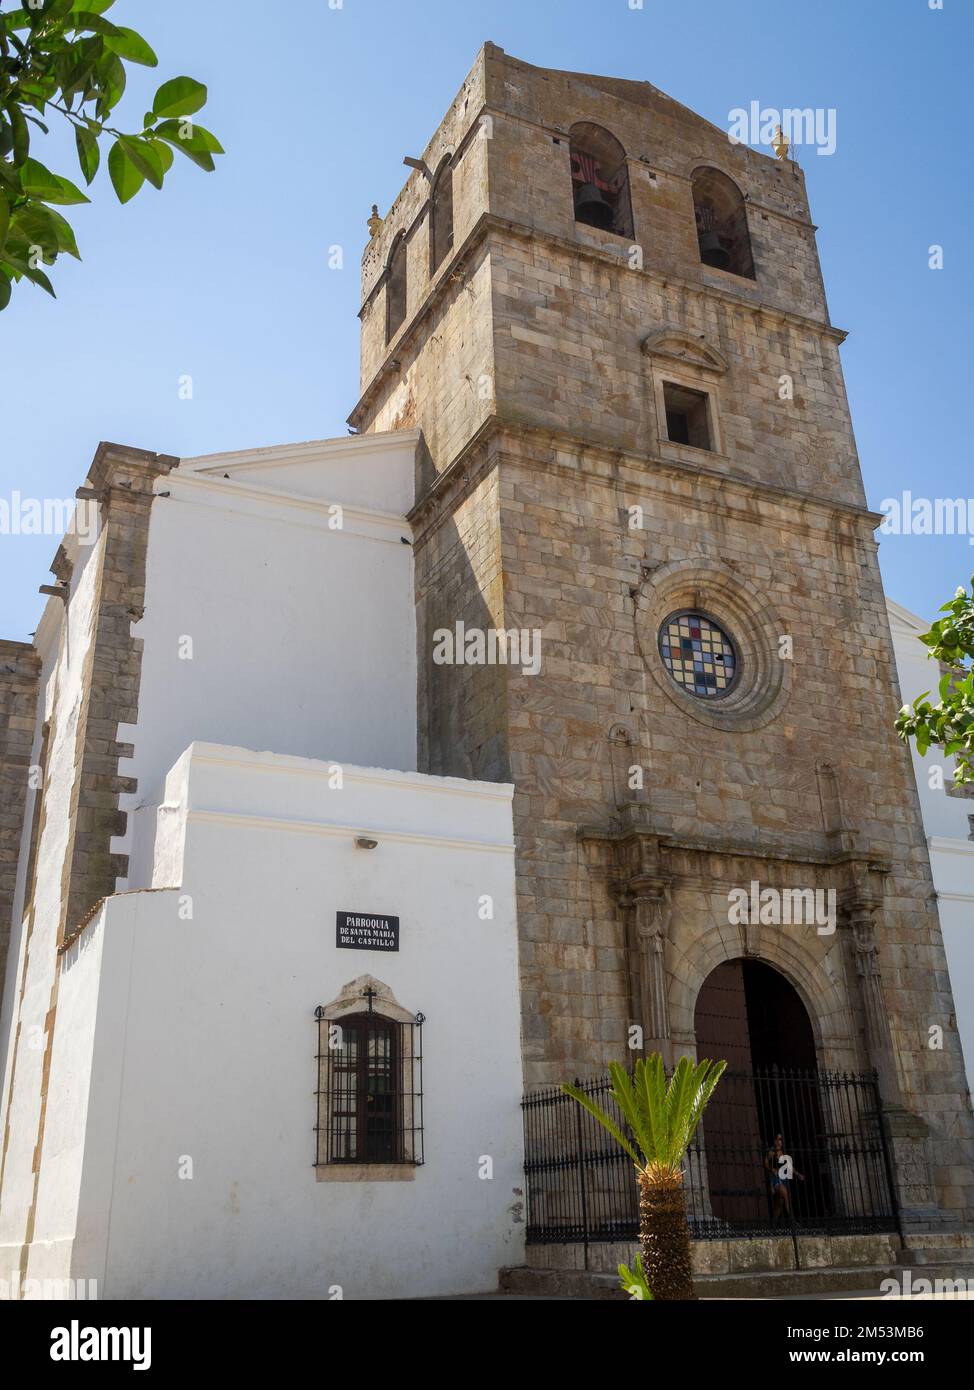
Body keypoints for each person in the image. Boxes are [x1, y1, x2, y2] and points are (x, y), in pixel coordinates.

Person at [765, 1132, 804, 1221]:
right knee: (787, 1196)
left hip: (784, 1179)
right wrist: (772, 1169)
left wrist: (798, 1174)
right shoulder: (772, 1151)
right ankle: (793, 1222)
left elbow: (790, 1166)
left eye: (781, 1139)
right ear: (775, 1141)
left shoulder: (783, 1152)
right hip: (776, 1179)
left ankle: (773, 1224)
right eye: (779, 1139)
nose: (780, 1141)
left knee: (780, 1202)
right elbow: (766, 1163)